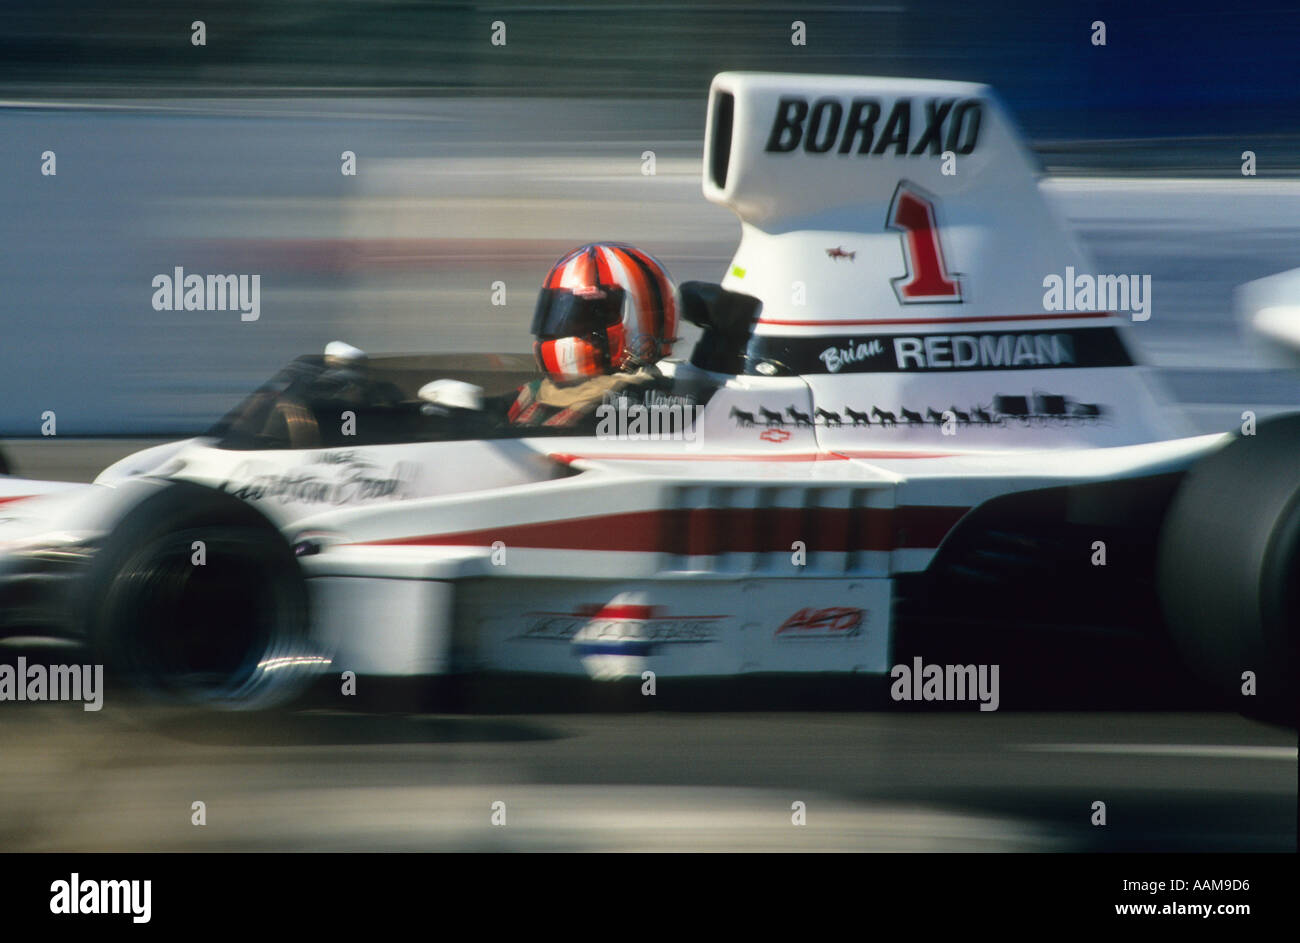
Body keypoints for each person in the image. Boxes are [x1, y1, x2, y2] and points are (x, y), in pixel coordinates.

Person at [505, 242, 680, 429]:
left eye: (581, 315)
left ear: (637, 318)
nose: (560, 326)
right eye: (555, 310)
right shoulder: (542, 392)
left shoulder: (634, 409)